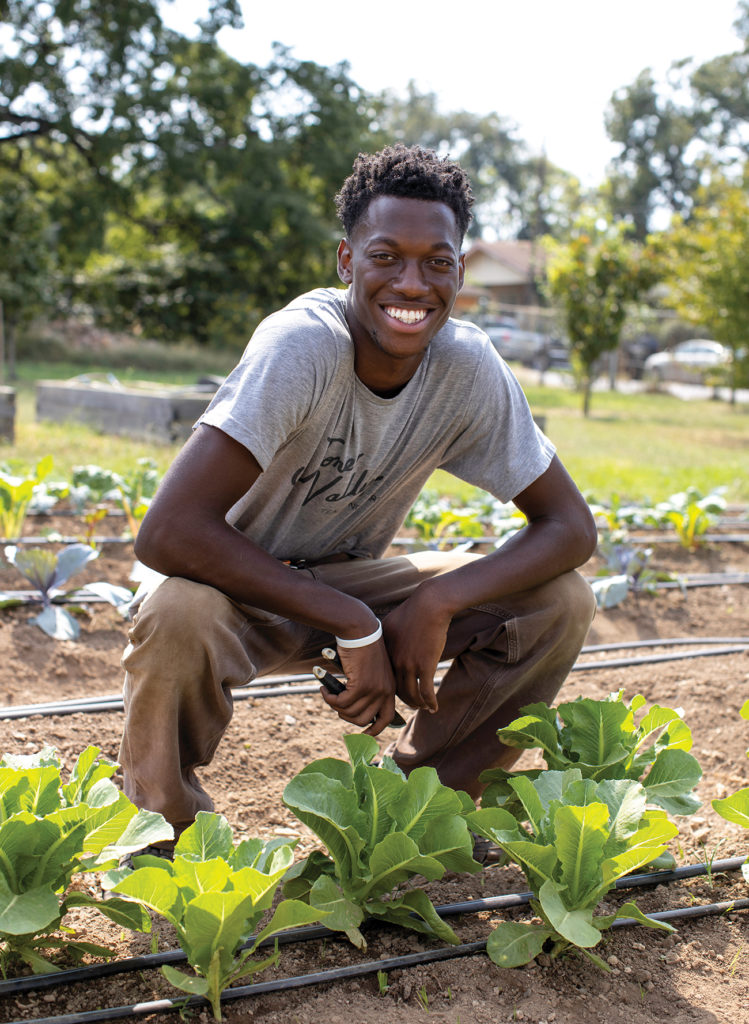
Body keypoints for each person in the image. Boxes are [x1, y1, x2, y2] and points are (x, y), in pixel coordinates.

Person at [119, 144, 597, 851]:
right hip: (226, 587)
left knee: (559, 601)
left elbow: (569, 528)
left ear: (459, 271)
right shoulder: (301, 347)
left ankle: (424, 806)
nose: (413, 283)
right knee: (177, 609)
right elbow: (167, 533)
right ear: (346, 261)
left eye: (437, 262)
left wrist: (434, 604)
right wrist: (354, 624)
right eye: (385, 257)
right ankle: (168, 834)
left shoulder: (464, 367)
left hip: (343, 582)